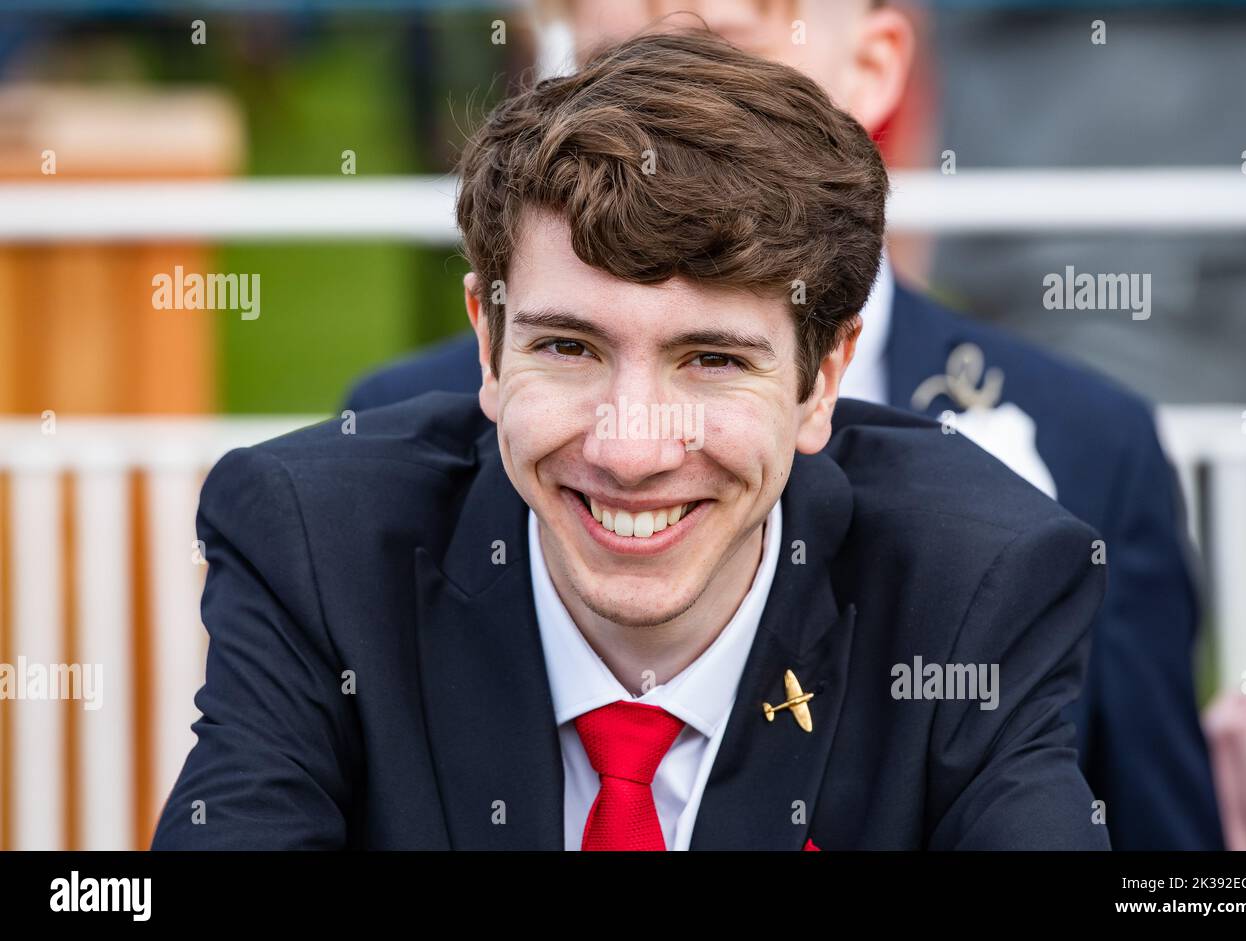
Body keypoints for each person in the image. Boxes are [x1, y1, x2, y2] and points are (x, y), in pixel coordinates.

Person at [154, 29, 1108, 850]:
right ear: (486, 345)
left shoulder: (972, 581)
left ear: (822, 379)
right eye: (568, 347)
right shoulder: (316, 548)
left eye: (712, 361)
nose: (632, 448)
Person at [345, 0, 1223, 851]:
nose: (633, 447)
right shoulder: (387, 464)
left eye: (735, 34)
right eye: (626, 47)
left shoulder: (1080, 457)